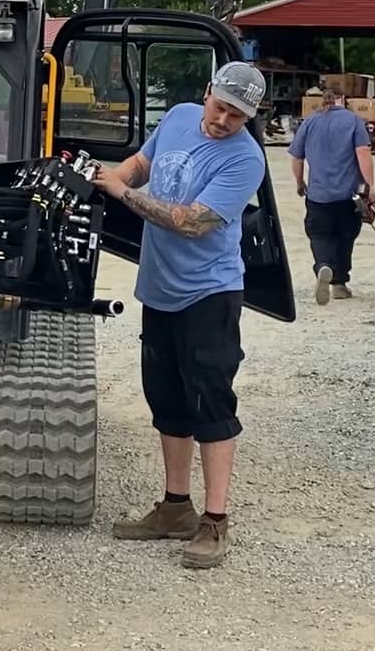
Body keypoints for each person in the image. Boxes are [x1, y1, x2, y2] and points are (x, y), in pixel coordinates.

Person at [89, 60, 268, 569]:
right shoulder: (178, 116)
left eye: (237, 116)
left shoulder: (244, 160)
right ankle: (174, 508)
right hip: (160, 290)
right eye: (220, 107)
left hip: (208, 294)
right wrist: (114, 175)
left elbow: (190, 223)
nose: (223, 121)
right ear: (207, 93)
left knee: (210, 402)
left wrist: (121, 193)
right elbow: (142, 164)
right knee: (166, 400)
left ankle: (215, 521)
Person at [288, 80, 375, 304]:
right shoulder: (353, 121)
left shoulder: (309, 122)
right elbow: (363, 153)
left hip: (318, 196)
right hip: (348, 197)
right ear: (343, 100)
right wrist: (370, 187)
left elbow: (296, 157)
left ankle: (323, 265)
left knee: (319, 235)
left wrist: (299, 182)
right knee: (345, 238)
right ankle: (339, 284)